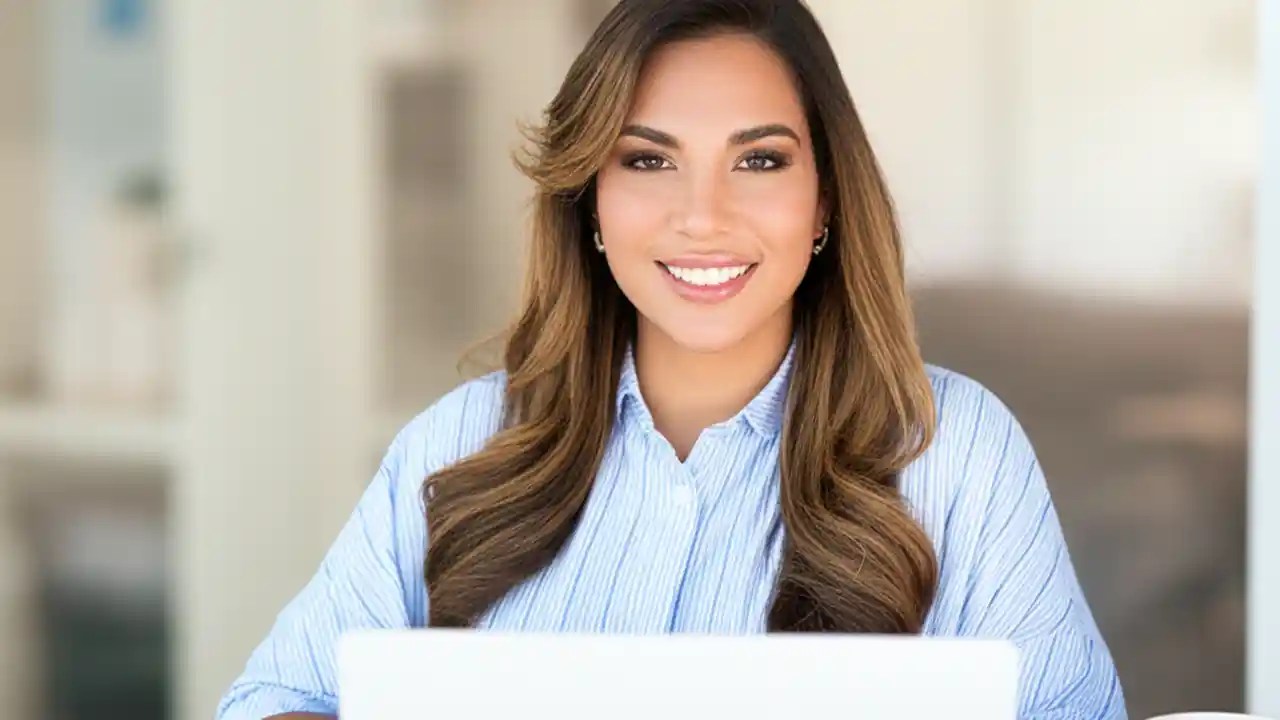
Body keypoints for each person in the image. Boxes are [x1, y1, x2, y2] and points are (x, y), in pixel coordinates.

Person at [217, 0, 1126, 717]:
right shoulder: (460, 442)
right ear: (590, 201)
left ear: (824, 201)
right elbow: (276, 700)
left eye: (759, 161)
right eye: (648, 162)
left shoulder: (955, 453)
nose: (703, 217)